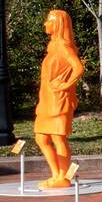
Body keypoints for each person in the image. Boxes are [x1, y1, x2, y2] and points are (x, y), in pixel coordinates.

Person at [33, 10, 84, 189]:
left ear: (58, 24)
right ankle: (56, 174)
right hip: (47, 99)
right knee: (41, 138)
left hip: (59, 100)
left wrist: (66, 85)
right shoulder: (53, 46)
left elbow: (78, 67)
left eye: (49, 21)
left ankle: (63, 177)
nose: (45, 24)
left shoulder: (64, 46)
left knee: (58, 138)